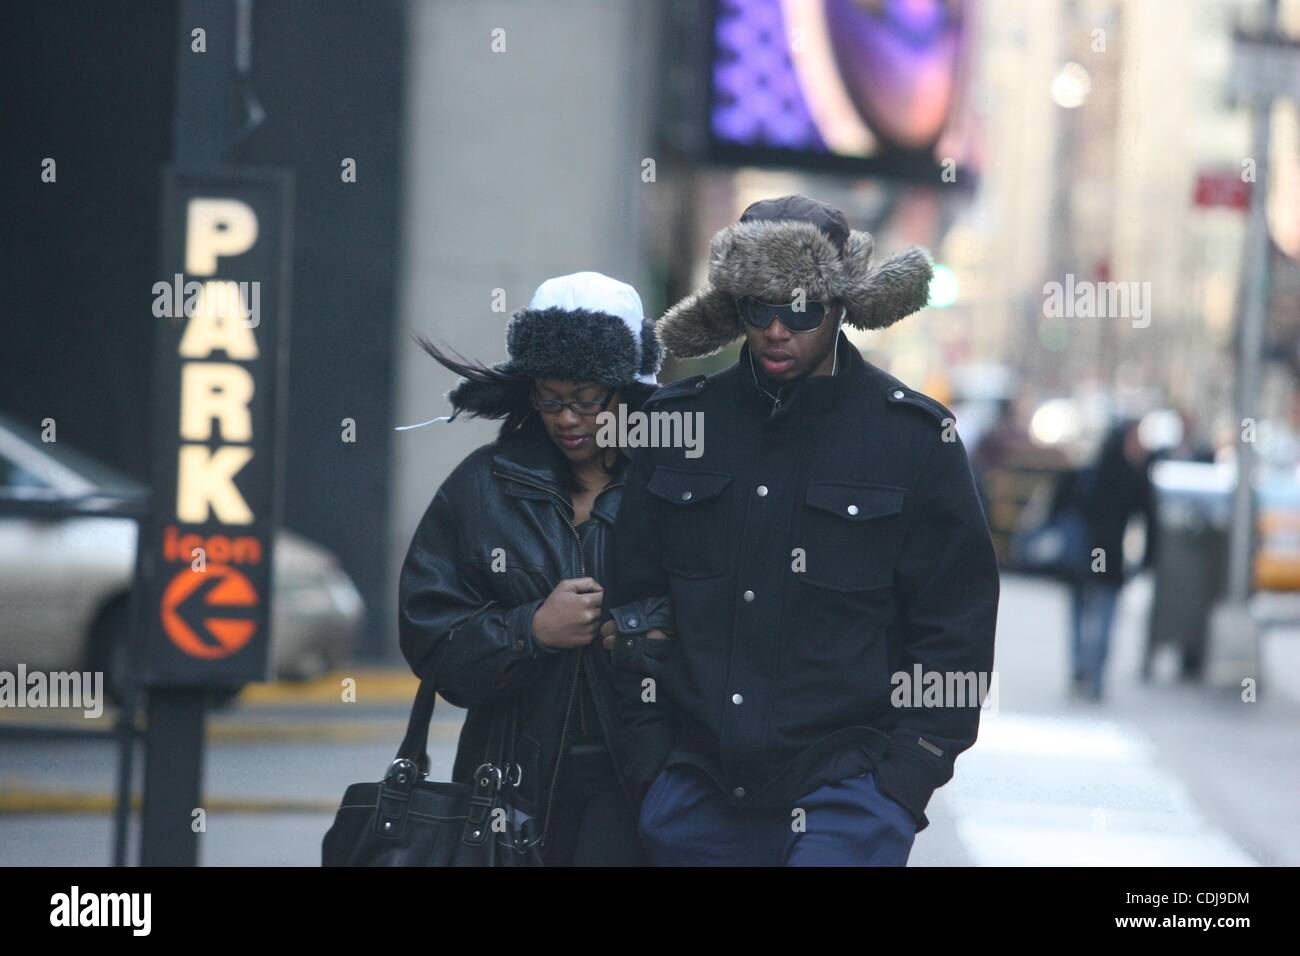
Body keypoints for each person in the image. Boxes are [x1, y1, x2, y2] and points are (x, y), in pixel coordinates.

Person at [604, 195, 1000, 867]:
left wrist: (905, 782)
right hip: (694, 799)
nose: (778, 331)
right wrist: (651, 768)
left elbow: (954, 627)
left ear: (840, 305)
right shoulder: (677, 428)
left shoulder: (914, 439)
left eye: (801, 309)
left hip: (849, 799)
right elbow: (631, 606)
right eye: (759, 308)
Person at [397, 272, 673, 866]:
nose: (566, 418)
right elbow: (430, 634)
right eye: (549, 398)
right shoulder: (482, 486)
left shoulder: (673, 488)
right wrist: (530, 632)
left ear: (626, 392)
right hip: (506, 787)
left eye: (586, 398)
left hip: (644, 780)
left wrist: (639, 632)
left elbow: (727, 615)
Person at [1059, 420, 1154, 700]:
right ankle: (1096, 675)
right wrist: (1146, 560)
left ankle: (1080, 667)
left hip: (1079, 559)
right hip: (1110, 560)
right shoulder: (1132, 476)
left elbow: (1059, 506)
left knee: (1080, 615)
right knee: (1104, 618)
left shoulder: (1087, 471)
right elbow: (1150, 518)